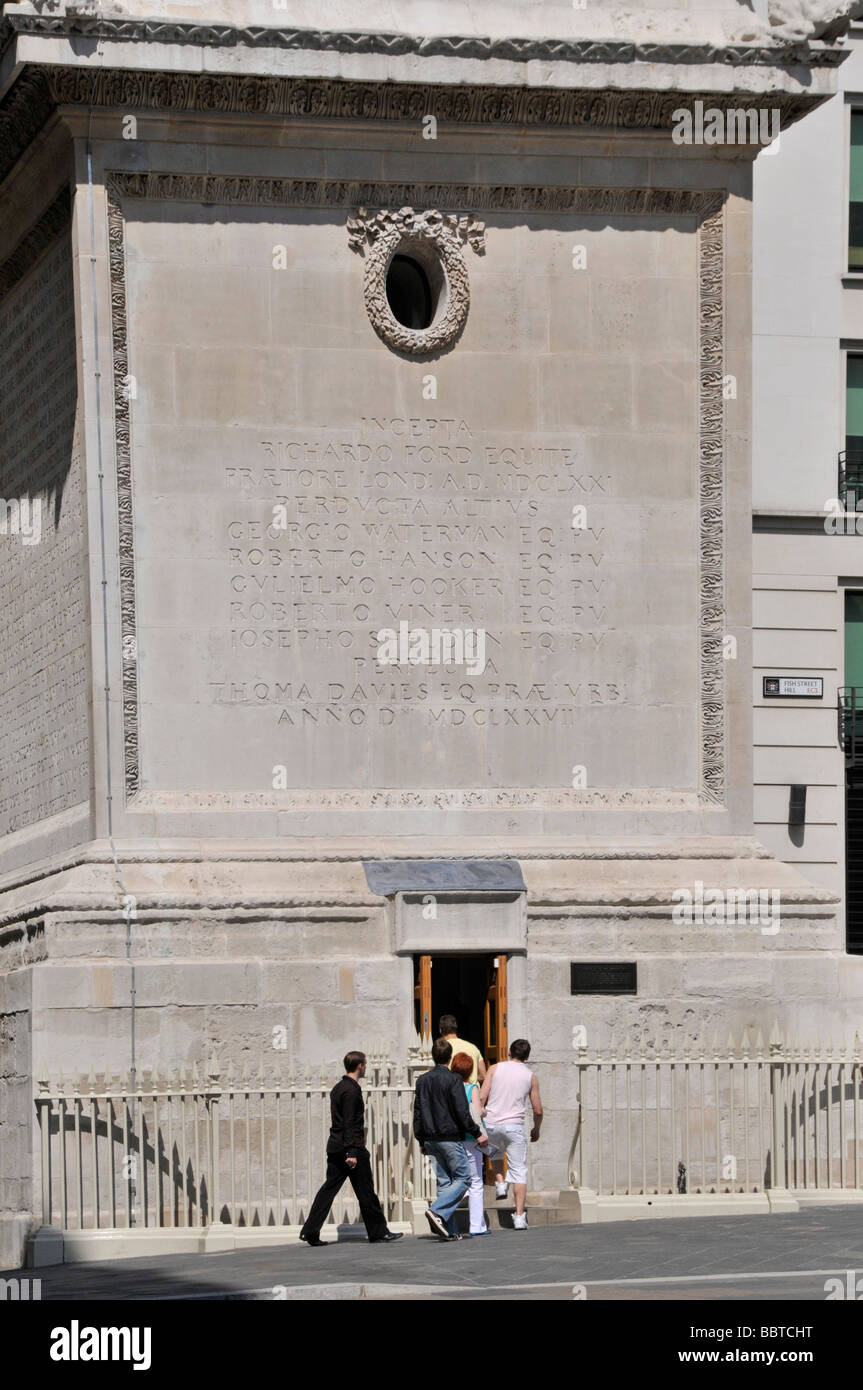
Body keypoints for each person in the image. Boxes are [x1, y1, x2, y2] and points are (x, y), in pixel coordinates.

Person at [300, 1050, 404, 1246]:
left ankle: (310, 1230)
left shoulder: (338, 1088)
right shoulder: (352, 1090)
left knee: (328, 1190)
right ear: (359, 1066)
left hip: (335, 1146)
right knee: (366, 1192)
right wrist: (351, 1152)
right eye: (365, 1064)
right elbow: (349, 1122)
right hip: (350, 1148)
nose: (366, 1068)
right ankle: (378, 1232)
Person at [414, 1037, 489, 1240]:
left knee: (445, 1183)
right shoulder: (453, 1079)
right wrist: (476, 1133)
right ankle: (437, 1211)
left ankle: (449, 1230)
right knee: (464, 1178)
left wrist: (421, 1140)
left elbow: (418, 1112)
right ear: (449, 1057)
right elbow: (461, 1112)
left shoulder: (422, 1080)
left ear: (433, 1056)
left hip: (430, 1137)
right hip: (448, 1136)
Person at [480, 1039, 543, 1231]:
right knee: (518, 1171)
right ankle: (518, 1216)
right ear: (527, 1056)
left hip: (491, 1122)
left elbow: (482, 1096)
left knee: (495, 1152)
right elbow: (538, 1109)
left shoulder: (495, 1068)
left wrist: (480, 1112)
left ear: (509, 1052)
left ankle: (500, 1183)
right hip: (514, 1125)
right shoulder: (530, 1076)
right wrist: (536, 1128)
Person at [450, 1051, 489, 1235]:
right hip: (471, 1139)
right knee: (476, 1181)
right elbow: (476, 1111)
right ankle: (477, 1225)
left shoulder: (450, 1088)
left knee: (457, 1178)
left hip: (455, 1138)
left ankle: (452, 1222)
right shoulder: (472, 1087)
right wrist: (483, 1112)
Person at [438, 1014, 486, 1084]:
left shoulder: (441, 1049)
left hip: (451, 1091)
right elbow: (483, 1075)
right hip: (472, 1092)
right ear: (455, 1029)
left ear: (440, 1030)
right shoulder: (473, 1047)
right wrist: (472, 1078)